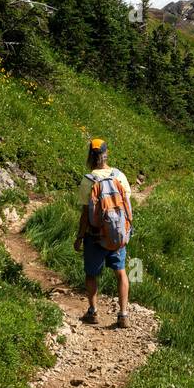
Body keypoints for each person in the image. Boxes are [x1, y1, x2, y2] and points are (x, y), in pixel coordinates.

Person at [73, 138, 133, 328]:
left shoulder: (89, 180)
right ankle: (123, 315)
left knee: (91, 274)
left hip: (95, 235)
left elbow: (85, 214)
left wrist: (80, 236)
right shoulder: (119, 176)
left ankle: (93, 312)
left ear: (90, 156)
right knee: (121, 272)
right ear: (107, 153)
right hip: (117, 235)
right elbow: (127, 204)